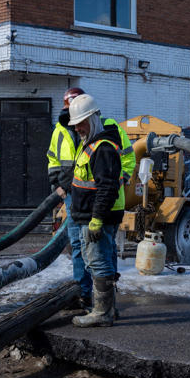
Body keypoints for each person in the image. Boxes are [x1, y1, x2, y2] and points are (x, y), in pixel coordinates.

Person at [67, 94, 125, 327]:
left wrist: (97, 219)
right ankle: (107, 309)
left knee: (99, 262)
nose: (78, 128)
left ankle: (102, 313)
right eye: (75, 124)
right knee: (101, 260)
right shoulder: (90, 145)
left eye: (81, 122)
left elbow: (107, 187)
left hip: (95, 217)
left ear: (92, 119)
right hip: (89, 215)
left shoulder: (102, 148)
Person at [47, 87, 92, 306]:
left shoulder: (97, 127)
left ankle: (102, 295)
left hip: (92, 193)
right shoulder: (60, 131)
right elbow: (53, 159)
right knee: (77, 243)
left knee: (96, 243)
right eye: (69, 107)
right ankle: (83, 292)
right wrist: (57, 185)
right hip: (71, 193)